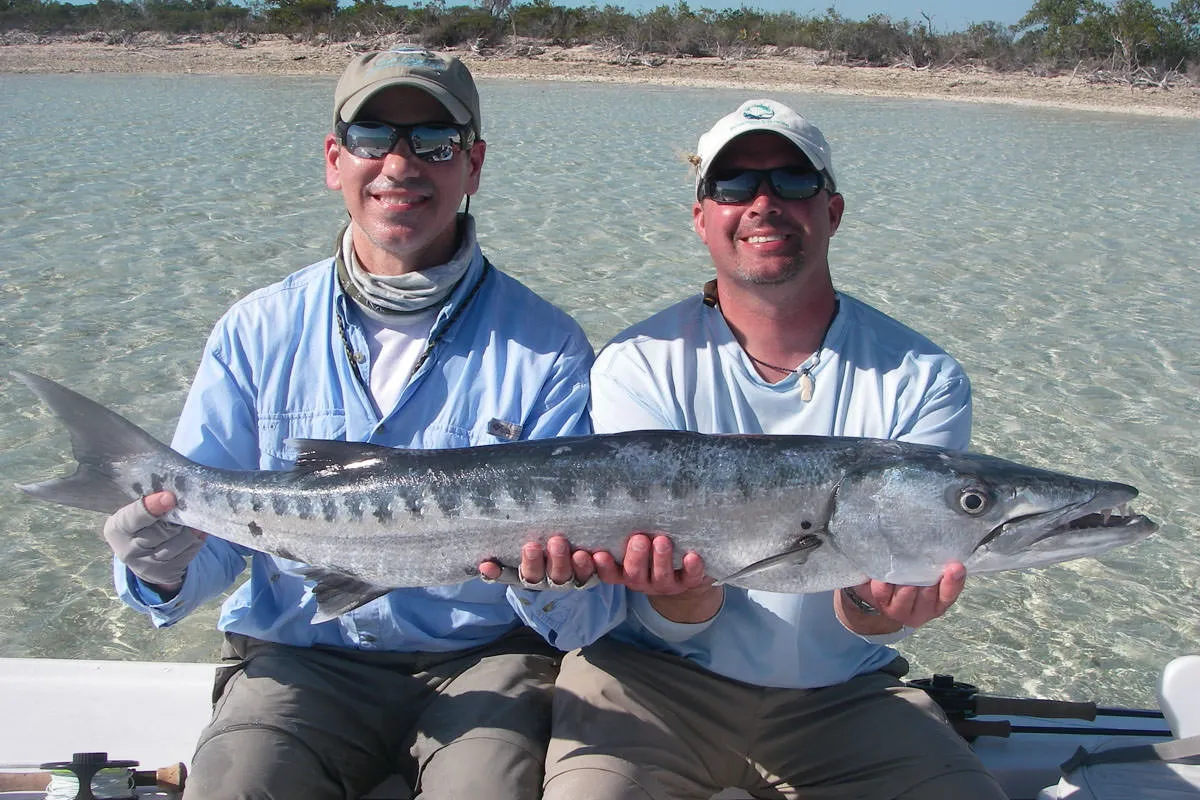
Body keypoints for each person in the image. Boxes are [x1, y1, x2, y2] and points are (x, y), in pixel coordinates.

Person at [98, 47, 615, 799]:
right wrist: (157, 560)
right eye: (373, 137)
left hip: (482, 663)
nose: (400, 166)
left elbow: (581, 617)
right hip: (300, 657)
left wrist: (555, 584)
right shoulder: (256, 331)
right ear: (334, 160)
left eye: (434, 142)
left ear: (473, 165)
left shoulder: (550, 348)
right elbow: (209, 545)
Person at [542, 99, 1010, 799]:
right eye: (734, 186)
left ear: (834, 209)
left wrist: (882, 606)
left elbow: (869, 610)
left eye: (793, 181)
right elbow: (668, 611)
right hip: (647, 686)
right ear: (702, 218)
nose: (765, 203)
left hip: (844, 698)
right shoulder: (638, 363)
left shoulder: (923, 377)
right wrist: (681, 596)